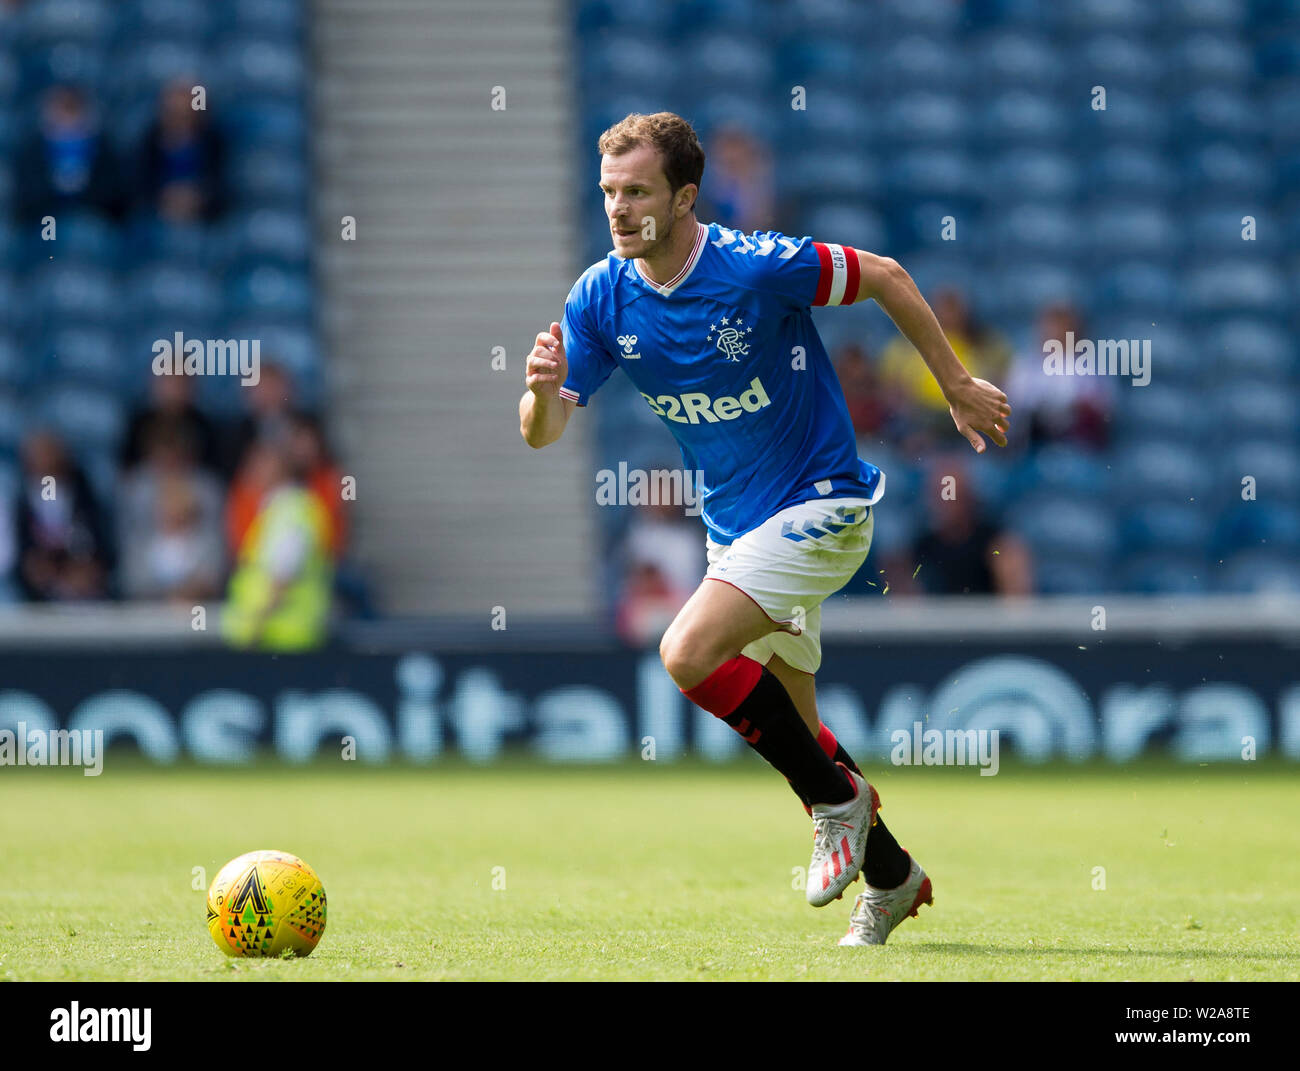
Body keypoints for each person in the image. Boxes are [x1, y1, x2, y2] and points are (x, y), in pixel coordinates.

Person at [518, 112, 1010, 946]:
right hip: (737, 529)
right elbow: (542, 432)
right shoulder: (600, 296)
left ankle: (840, 803)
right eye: (608, 192)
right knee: (796, 725)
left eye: (636, 192)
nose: (618, 208)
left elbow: (886, 273)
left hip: (823, 503)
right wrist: (539, 390)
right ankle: (890, 875)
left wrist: (956, 382)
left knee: (684, 652)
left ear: (683, 198)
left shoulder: (753, 266)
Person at [221, 440, 333, 652]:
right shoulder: (279, 509)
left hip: (281, 640)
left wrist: (255, 627)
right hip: (278, 638)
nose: (250, 469)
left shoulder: (291, 511)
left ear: (277, 467)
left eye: (257, 463)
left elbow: (283, 577)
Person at [14, 84, 123, 222]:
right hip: (45, 222)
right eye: (60, 111)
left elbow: (116, 200)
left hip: (92, 222)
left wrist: (82, 190)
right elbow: (25, 203)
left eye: (71, 110)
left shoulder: (105, 149)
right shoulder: (31, 152)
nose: (66, 119)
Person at [133, 78, 228, 223]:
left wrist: (197, 197)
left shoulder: (212, 139)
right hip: (158, 210)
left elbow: (218, 180)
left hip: (203, 212)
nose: (179, 109)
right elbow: (142, 181)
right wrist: (165, 197)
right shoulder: (150, 138)